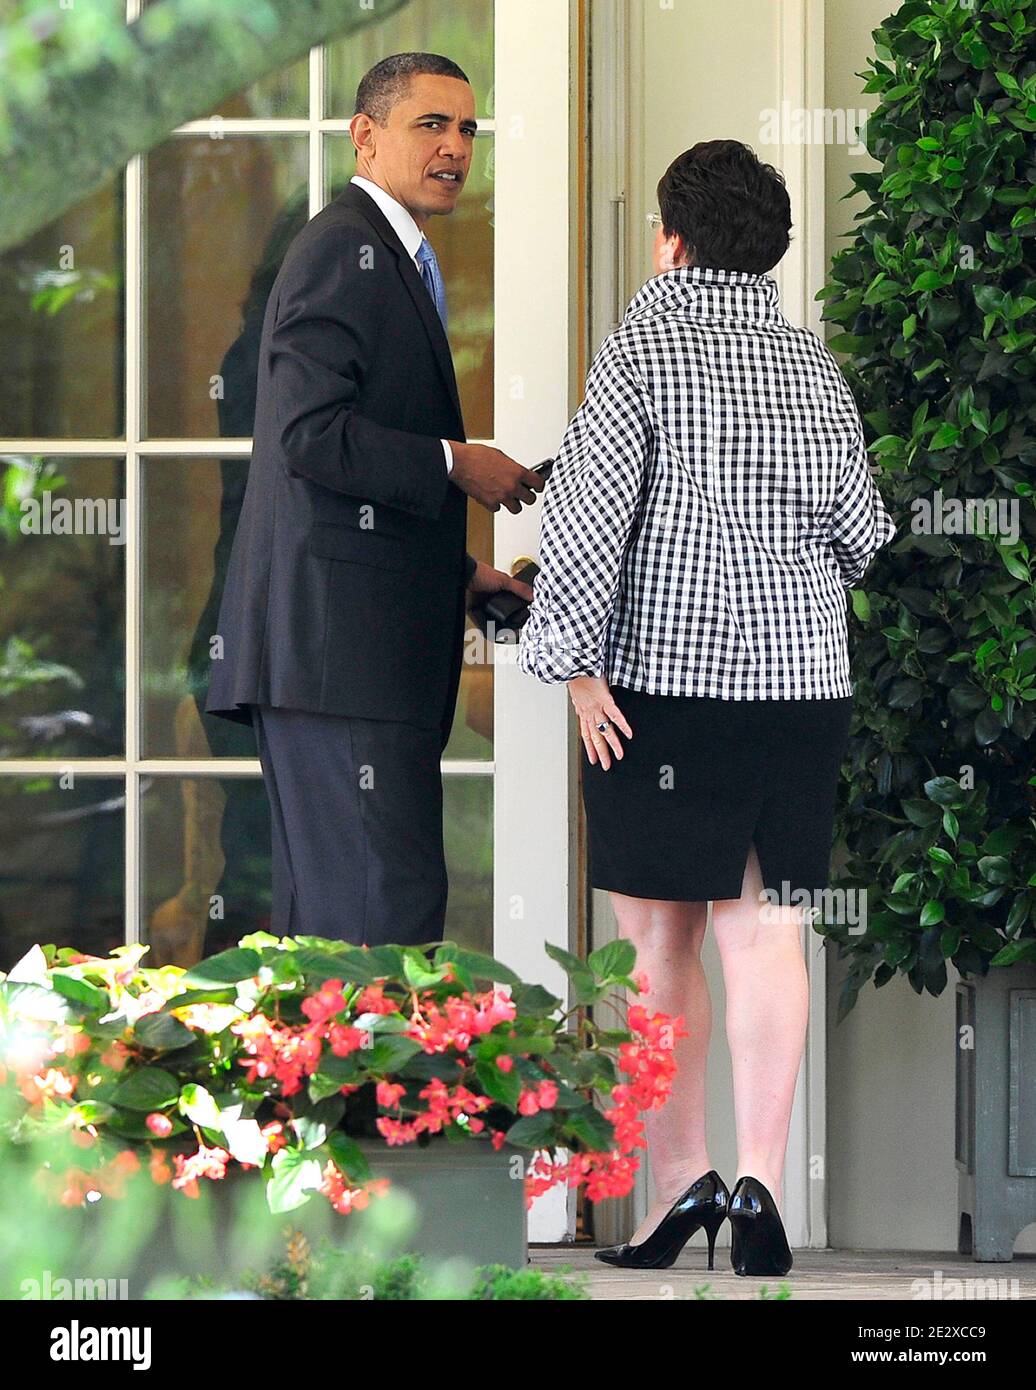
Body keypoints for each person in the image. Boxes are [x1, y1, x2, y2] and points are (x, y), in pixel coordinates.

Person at [518, 139, 895, 1276]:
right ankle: (763, 1191)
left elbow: (589, 518)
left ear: (671, 239)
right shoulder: (808, 361)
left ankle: (675, 1185)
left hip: (662, 691)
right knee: (767, 926)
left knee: (655, 938)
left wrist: (576, 666)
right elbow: (862, 535)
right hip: (797, 686)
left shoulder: (641, 345)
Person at [205, 53, 542, 946]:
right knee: (375, 928)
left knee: (357, 924)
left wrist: (461, 571)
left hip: (355, 653)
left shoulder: (392, 250)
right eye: (431, 125)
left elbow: (345, 467)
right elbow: (306, 435)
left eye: (467, 129)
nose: (455, 148)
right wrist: (455, 462)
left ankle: (346, 1091)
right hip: (335, 659)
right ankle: (364, 1093)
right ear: (366, 135)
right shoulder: (341, 247)